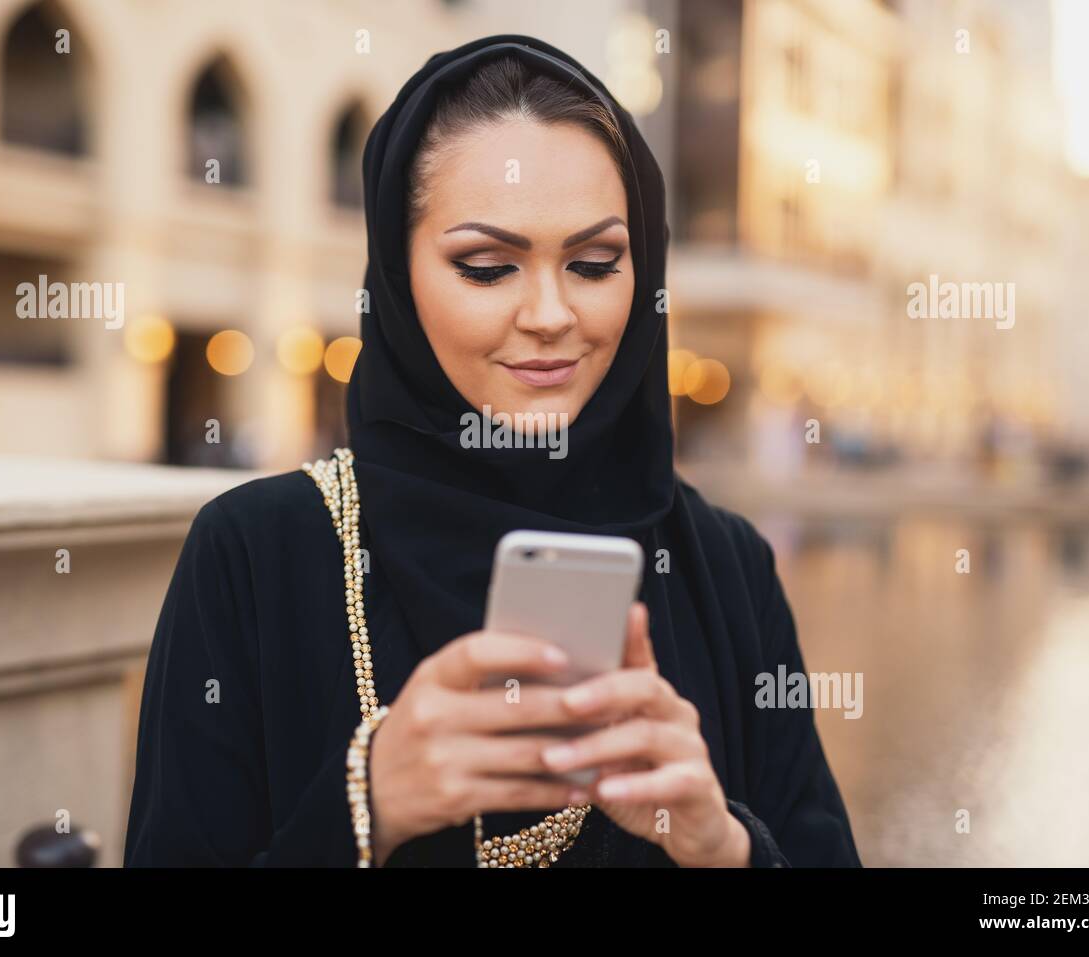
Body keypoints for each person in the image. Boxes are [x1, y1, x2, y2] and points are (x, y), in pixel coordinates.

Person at [123, 34, 861, 868]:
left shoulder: (725, 566)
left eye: (593, 262)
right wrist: (371, 804)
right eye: (485, 266)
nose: (550, 313)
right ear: (398, 276)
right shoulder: (256, 555)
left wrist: (722, 844)